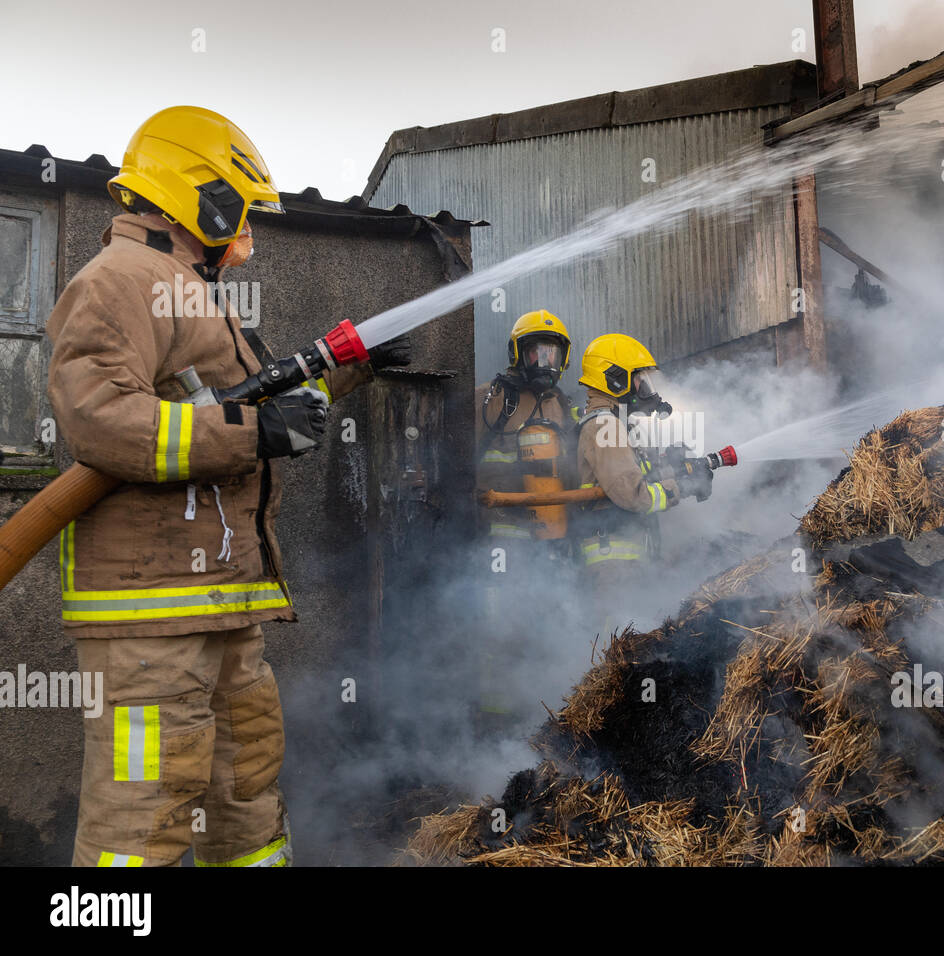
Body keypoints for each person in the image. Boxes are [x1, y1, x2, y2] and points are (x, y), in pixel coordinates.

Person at [45, 105, 408, 867]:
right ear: (200, 195)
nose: (246, 233)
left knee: (244, 784)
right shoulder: (119, 279)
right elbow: (100, 420)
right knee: (141, 817)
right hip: (150, 611)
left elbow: (249, 411)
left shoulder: (186, 288)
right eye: (240, 211)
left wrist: (353, 367)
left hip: (218, 598)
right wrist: (252, 433)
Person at [471, 310, 580, 731]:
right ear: (519, 353)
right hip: (504, 539)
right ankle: (494, 722)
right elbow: (459, 465)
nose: (544, 362)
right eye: (536, 352)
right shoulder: (493, 399)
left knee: (546, 622)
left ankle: (538, 716)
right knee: (501, 629)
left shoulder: (560, 405)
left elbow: (572, 467)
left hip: (551, 538)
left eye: (552, 353)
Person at [574, 334, 712, 613]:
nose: (644, 387)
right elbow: (634, 495)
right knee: (613, 637)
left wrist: (672, 466)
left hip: (622, 554)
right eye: (638, 379)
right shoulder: (605, 426)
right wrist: (682, 487)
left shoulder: (614, 425)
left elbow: (635, 476)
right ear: (615, 378)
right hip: (613, 561)